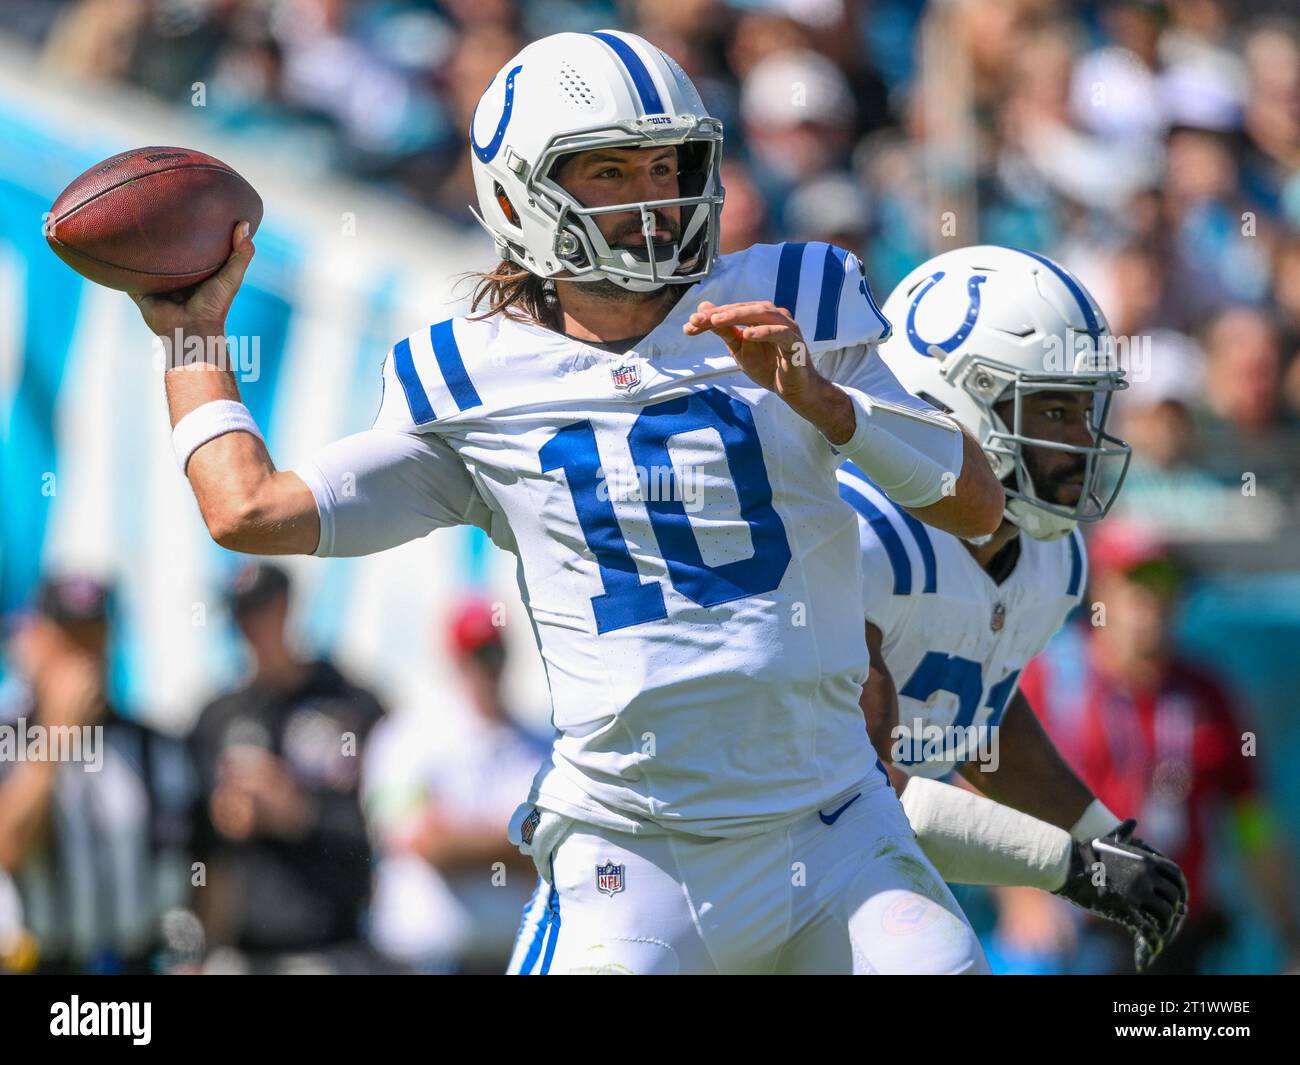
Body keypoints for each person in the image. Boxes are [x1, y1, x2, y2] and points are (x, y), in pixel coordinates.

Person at [128, 30, 1005, 975]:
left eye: (667, 163)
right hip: (634, 854)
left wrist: (832, 409)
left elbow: (977, 505)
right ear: (516, 197)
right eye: (610, 171)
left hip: (833, 826)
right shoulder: (465, 378)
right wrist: (192, 336)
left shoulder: (798, 296)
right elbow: (248, 510)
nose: (654, 197)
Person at [841, 245, 1188, 971]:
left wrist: (1100, 832)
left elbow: (977, 712)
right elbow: (857, 791)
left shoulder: (1049, 556)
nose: (1081, 441)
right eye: (1053, 408)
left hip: (831, 868)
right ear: (951, 405)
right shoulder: (859, 535)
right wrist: (1071, 865)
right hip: (715, 853)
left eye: (1087, 408)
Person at [1018, 521, 1300, 973]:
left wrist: (1288, 930)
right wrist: (1021, 901)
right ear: (1100, 591)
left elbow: (1251, 818)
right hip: (1080, 932)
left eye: (1166, 581)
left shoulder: (1206, 694)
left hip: (1181, 936)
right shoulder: (1049, 678)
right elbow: (982, 783)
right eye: (1138, 581)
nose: (1154, 600)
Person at [188, 563, 387, 974]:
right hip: (241, 954)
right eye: (239, 613)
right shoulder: (217, 717)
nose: (249, 627)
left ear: (286, 608)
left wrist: (298, 812)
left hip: (333, 947)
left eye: (259, 611)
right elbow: (197, 849)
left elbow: (386, 830)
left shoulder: (350, 704)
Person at [0, 575, 197, 973]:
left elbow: (204, 858)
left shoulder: (156, 746)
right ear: (38, 642)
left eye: (93, 638)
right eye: (68, 640)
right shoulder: (10, 740)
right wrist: (55, 736)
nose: (82, 655)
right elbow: (7, 847)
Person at [363, 598, 550, 973]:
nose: (487, 667)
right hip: (423, 960)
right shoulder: (406, 737)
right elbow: (428, 844)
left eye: (494, 653)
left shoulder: (542, 745)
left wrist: (467, 835)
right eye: (477, 654)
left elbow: (556, 853)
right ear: (455, 660)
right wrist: (516, 838)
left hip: (514, 960)